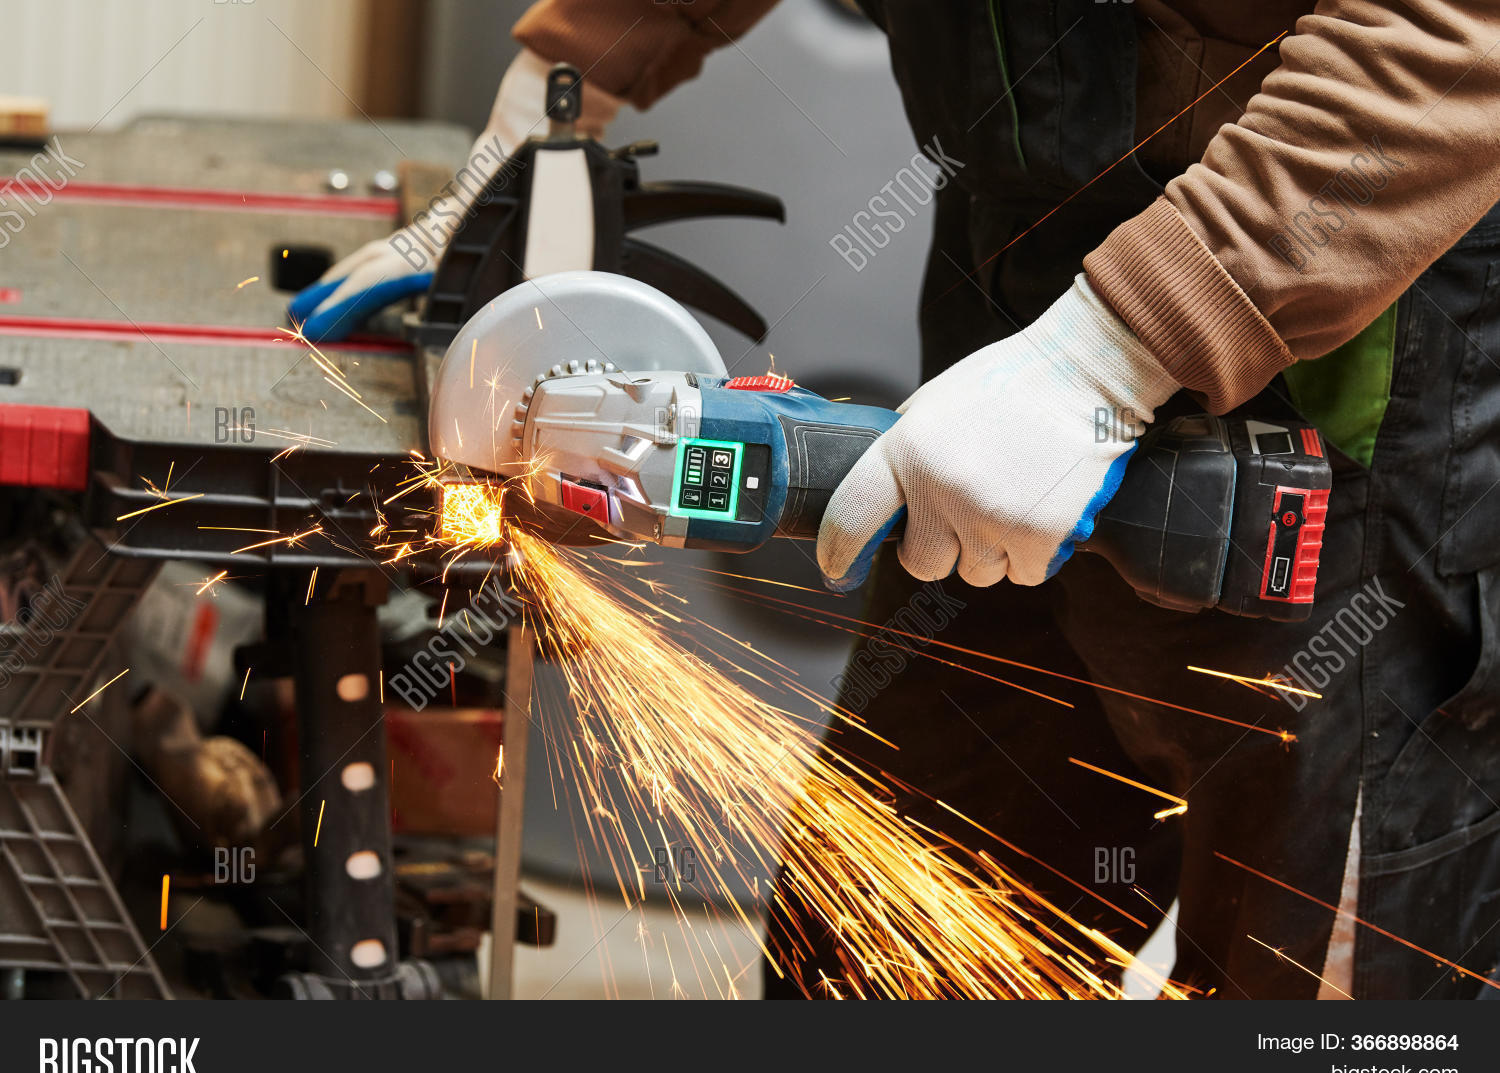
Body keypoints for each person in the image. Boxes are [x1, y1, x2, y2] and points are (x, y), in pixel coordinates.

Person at [293, 1, 1500, 999]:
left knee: (1314, 1000)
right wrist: (559, 88)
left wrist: (1117, 350)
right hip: (1009, 326)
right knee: (884, 946)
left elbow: (1452, 31)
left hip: (1347, 353)